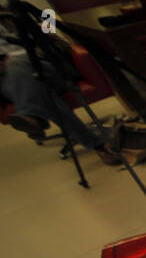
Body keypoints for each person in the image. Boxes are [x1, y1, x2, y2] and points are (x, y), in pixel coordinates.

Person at [0, 15, 120, 164]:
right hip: (9, 82)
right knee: (37, 87)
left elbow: (51, 39)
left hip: (47, 67)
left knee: (24, 72)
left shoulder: (14, 15)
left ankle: (33, 117)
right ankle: (98, 146)